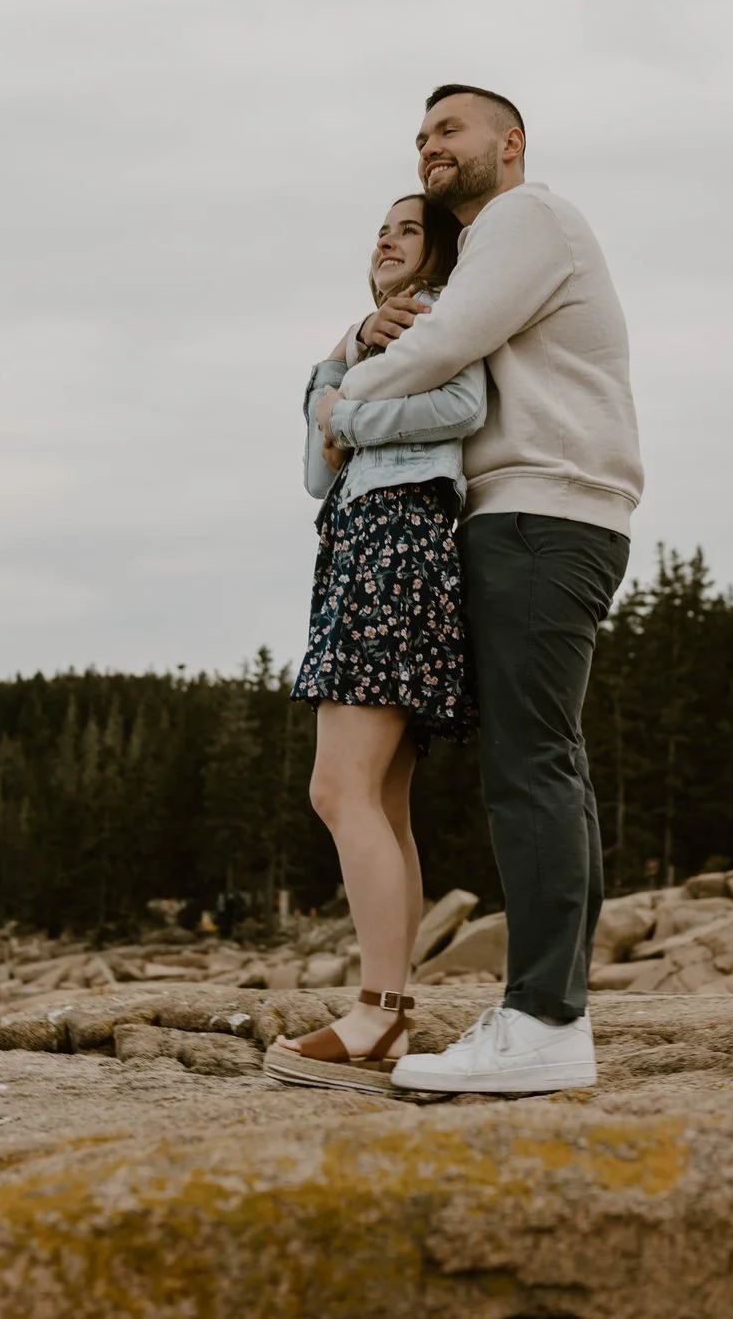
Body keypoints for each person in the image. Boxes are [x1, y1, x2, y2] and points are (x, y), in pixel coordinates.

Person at [318, 85, 642, 1096]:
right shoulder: (498, 240)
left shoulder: (527, 218)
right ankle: (549, 1010)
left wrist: (332, 400)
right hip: (532, 510)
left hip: (546, 510)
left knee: (531, 762)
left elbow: (440, 352)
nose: (429, 146)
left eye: (449, 129)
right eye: (419, 135)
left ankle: (544, 1021)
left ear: (510, 142)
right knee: (544, 758)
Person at [267, 194, 488, 1094]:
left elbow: (463, 405)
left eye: (406, 226)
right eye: (380, 230)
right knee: (382, 802)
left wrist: (348, 414)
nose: (386, 237)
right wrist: (344, 350)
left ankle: (377, 1013)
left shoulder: (437, 315)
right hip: (362, 543)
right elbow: (315, 473)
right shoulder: (370, 337)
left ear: (436, 250)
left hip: (397, 538)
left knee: (339, 786)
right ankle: (385, 1016)